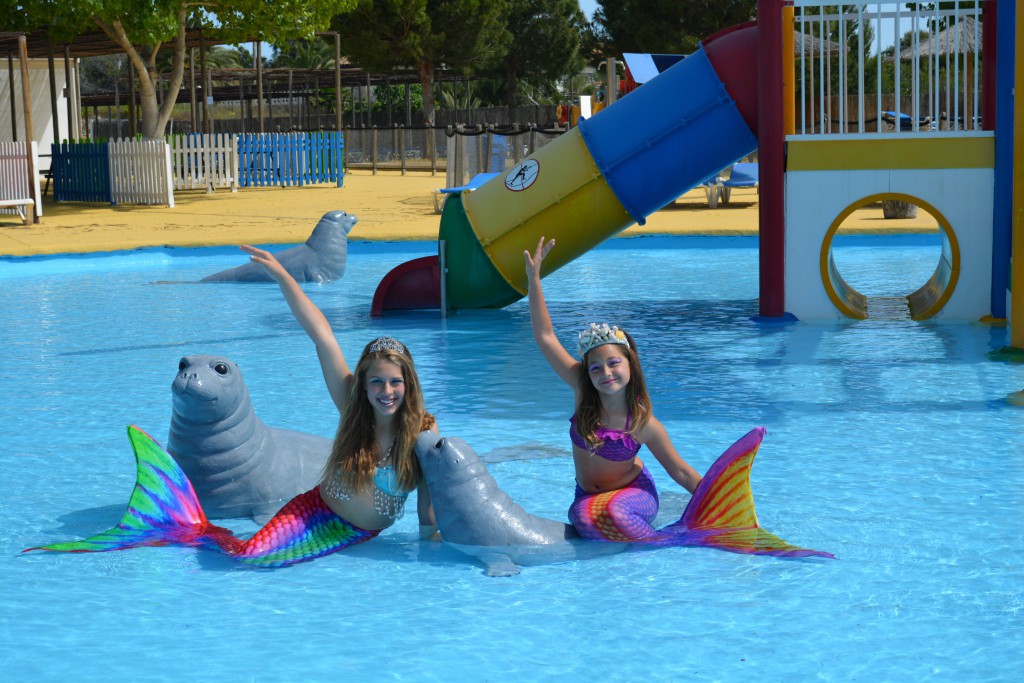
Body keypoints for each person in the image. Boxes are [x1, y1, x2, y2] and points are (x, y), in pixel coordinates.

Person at [27, 246, 438, 568]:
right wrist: (282, 276)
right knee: (246, 557)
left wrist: (433, 548)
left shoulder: (422, 436)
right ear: (364, 385)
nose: (386, 391)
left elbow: (430, 508)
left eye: (395, 382)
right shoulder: (354, 406)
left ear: (409, 385)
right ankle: (186, 528)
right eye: (377, 381)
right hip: (315, 513)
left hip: (360, 535)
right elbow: (322, 336)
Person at [523, 237, 702, 542]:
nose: (605, 372)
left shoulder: (643, 424)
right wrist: (534, 280)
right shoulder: (581, 390)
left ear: (631, 366)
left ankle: (666, 546)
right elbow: (545, 336)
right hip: (587, 497)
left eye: (614, 363)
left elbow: (682, 473)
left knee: (616, 516)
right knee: (583, 520)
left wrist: (724, 502)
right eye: (595, 367)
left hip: (635, 494)